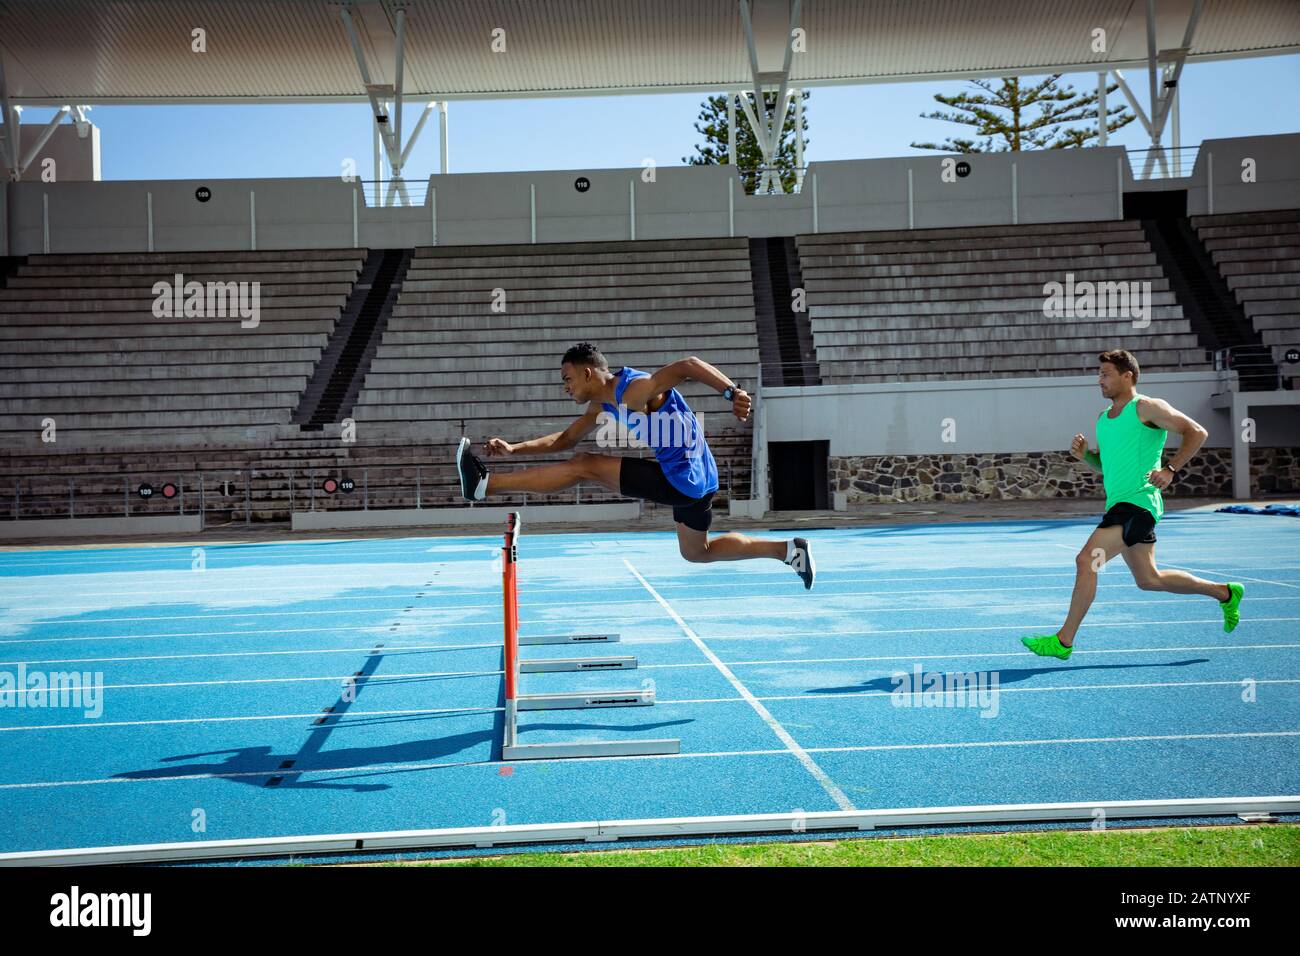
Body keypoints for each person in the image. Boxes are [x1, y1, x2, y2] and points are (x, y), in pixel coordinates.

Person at [455, 342, 815, 588]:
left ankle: (485, 485)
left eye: (567, 378)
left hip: (682, 478)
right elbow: (563, 440)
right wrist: (514, 448)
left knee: (584, 465)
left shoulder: (634, 390)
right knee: (696, 552)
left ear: (588, 374)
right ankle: (787, 550)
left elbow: (687, 365)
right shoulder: (603, 405)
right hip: (699, 482)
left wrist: (732, 392)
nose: (564, 387)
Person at [1021, 349, 1243, 660]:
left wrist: (1171, 469)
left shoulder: (1147, 407)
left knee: (1087, 561)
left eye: (1106, 374)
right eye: (1099, 375)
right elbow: (1107, 467)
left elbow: (1197, 431)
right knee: (1149, 580)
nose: (1100, 380)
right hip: (1120, 505)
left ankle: (1063, 641)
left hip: (1139, 503)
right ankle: (1225, 593)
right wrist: (1085, 456)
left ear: (1128, 376)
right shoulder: (1103, 418)